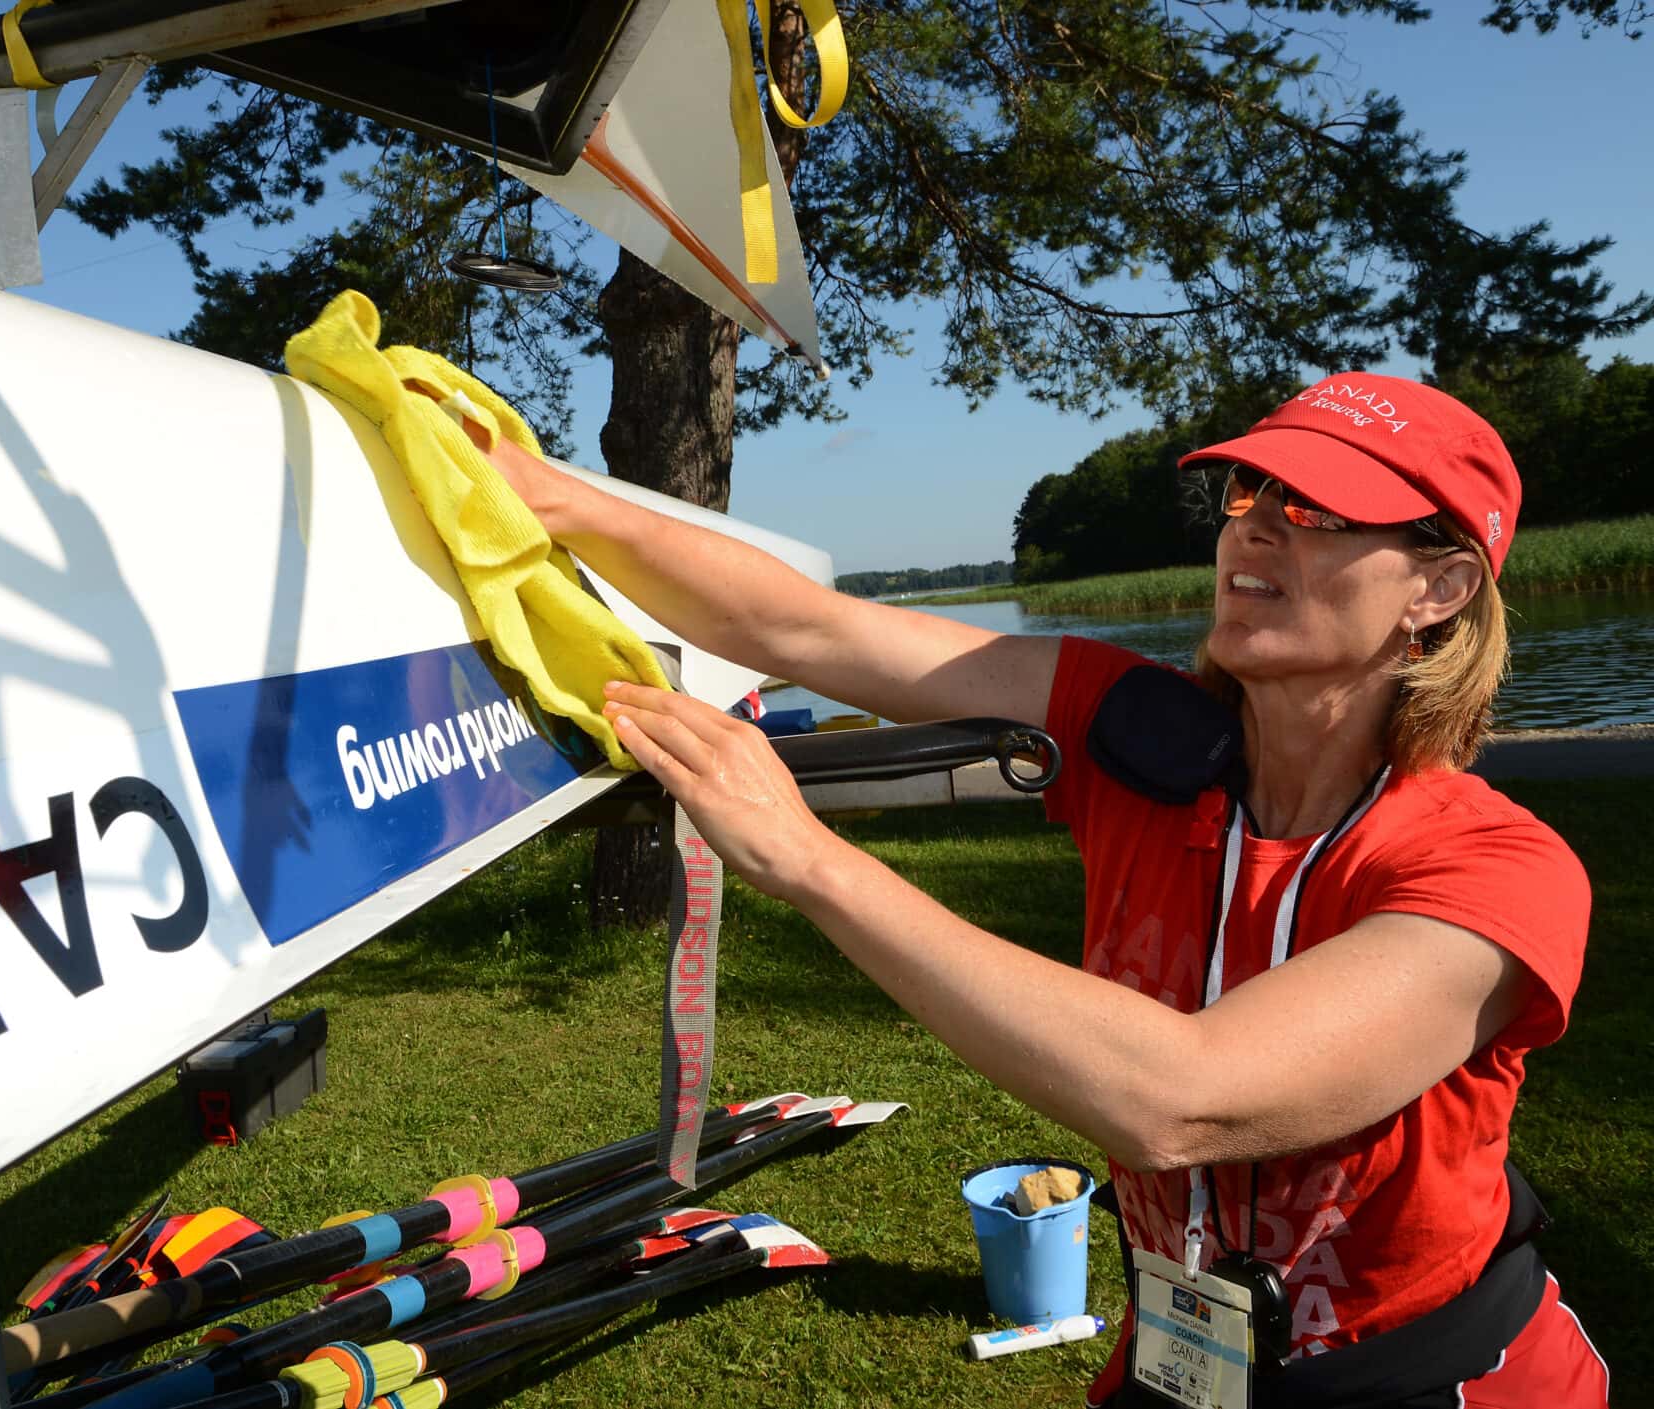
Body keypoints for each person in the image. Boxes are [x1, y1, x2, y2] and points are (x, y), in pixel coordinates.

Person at [471, 373, 1609, 1407]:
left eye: (1317, 505)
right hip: (1176, 1367)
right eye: (1249, 488)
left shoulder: (1496, 870)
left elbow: (1183, 1099)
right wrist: (551, 498)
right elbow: (802, 629)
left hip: (1430, 1383)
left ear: (1440, 585)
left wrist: (807, 858)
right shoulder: (1132, 728)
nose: (1255, 519)